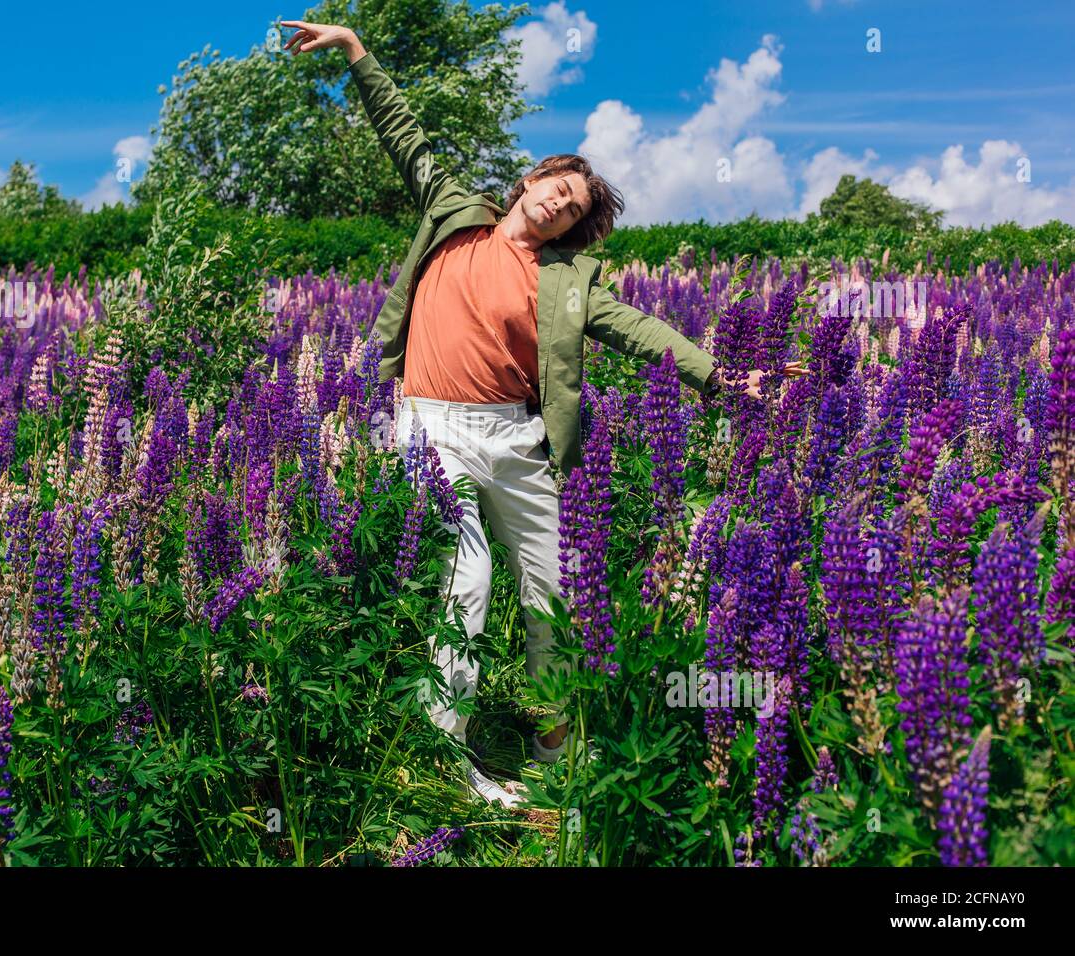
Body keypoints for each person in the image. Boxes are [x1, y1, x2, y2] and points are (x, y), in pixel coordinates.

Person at [281, 20, 805, 808]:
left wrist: (725, 378)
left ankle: (555, 740)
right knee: (467, 580)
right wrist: (357, 49)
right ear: (530, 180)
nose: (561, 202)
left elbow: (644, 333)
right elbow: (404, 132)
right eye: (558, 186)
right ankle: (443, 746)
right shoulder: (455, 212)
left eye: (575, 208)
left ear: (572, 227)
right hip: (429, 428)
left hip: (518, 436)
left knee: (558, 587)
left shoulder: (570, 279)